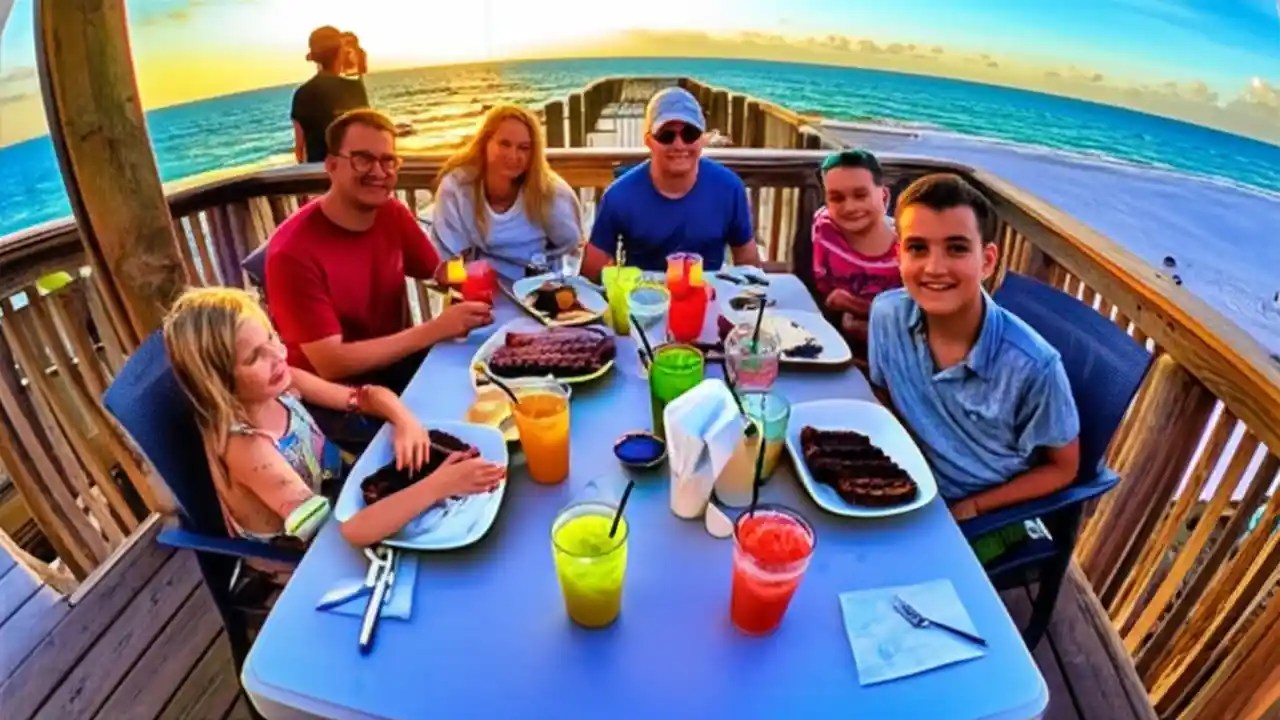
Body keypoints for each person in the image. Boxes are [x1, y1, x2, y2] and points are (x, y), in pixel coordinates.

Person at [162, 287, 505, 561]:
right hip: (308, 561)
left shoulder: (283, 383)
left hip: (346, 501)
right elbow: (341, 532)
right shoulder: (249, 448)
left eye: (271, 337)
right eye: (254, 357)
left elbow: (364, 396)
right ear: (217, 381)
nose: (278, 355)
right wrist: (437, 487)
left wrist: (405, 421)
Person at [265, 109, 492, 448]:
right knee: (446, 451)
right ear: (331, 165)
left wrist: (479, 272)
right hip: (335, 401)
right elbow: (331, 363)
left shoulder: (392, 212)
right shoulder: (291, 252)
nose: (378, 172)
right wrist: (435, 329)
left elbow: (439, 272)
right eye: (362, 159)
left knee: (487, 392)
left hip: (397, 369)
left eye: (388, 161)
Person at [867, 173, 1080, 521]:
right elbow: (882, 391)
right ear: (898, 255)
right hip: (904, 479)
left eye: (957, 248)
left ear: (988, 261)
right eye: (917, 248)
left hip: (980, 514)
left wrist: (976, 507)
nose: (935, 268)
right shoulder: (886, 314)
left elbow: (1064, 467)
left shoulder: (1035, 368)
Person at [583, 87, 760, 277]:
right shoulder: (619, 196)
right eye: (666, 135)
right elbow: (591, 274)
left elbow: (749, 270)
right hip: (643, 302)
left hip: (706, 299)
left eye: (689, 134)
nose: (679, 145)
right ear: (649, 140)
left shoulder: (730, 189)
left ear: (702, 140)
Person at [431, 104, 584, 280]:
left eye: (524, 148)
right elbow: (444, 265)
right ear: (484, 142)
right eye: (505, 144)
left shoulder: (551, 193)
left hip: (538, 293)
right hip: (477, 291)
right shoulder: (457, 188)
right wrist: (470, 281)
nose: (513, 156)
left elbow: (573, 246)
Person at [813, 149, 902, 360]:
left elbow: (917, 320)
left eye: (861, 195)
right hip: (837, 349)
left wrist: (856, 308)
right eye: (836, 198)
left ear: (884, 196)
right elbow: (823, 288)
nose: (850, 207)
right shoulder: (824, 227)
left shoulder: (909, 248)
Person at [291, 26, 370, 163]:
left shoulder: (302, 94)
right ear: (340, 52)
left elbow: (300, 151)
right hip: (355, 171)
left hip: (319, 174)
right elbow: (369, 135)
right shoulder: (354, 88)